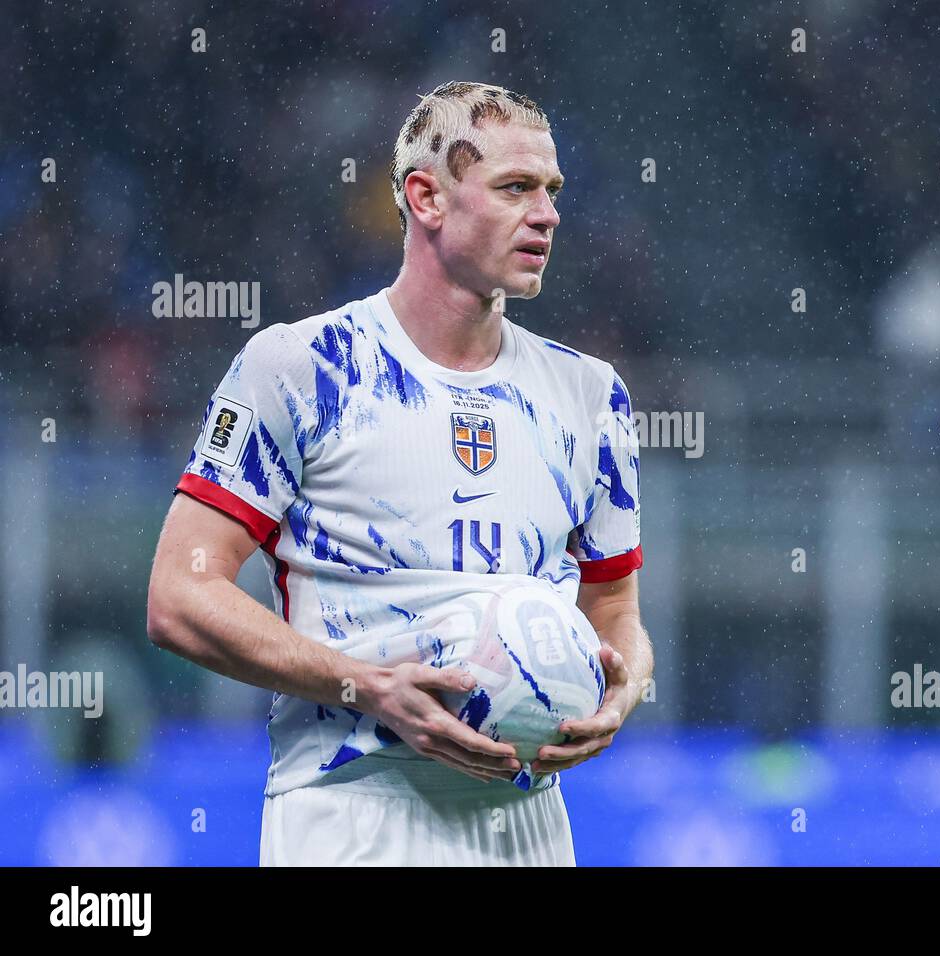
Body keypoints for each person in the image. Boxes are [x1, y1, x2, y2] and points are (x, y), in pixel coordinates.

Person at [146, 81, 652, 866]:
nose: (547, 214)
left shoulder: (592, 396)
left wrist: (621, 691)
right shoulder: (302, 367)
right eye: (516, 188)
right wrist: (364, 685)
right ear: (426, 198)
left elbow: (614, 603)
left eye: (551, 190)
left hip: (527, 818)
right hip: (355, 809)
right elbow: (180, 596)